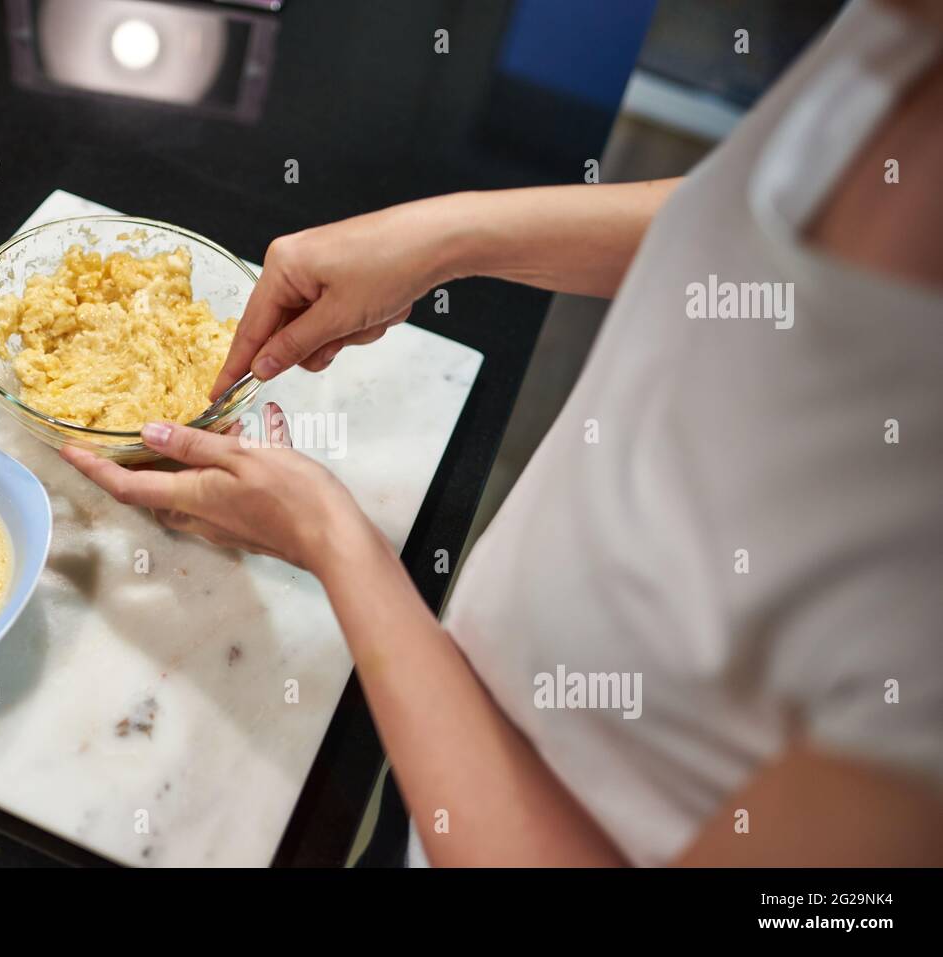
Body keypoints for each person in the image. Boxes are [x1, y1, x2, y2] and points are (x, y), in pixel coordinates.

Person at [61, 0, 943, 866]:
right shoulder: (900, 28)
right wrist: (448, 234)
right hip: (452, 718)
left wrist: (334, 542)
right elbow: (737, 225)